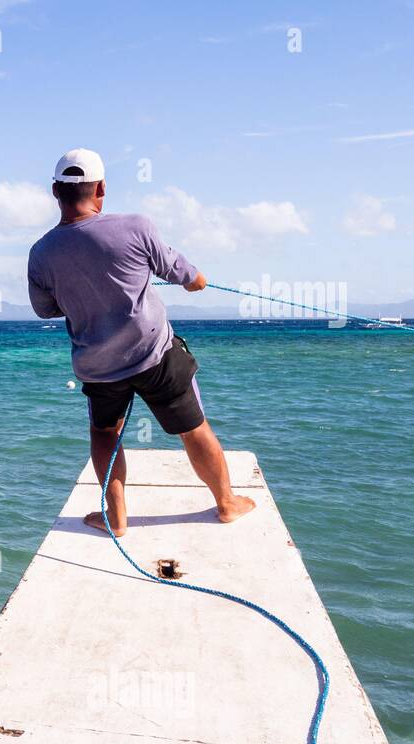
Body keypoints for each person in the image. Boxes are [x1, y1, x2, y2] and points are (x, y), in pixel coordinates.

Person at [27, 147, 255, 537]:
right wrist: (197, 279)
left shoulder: (40, 253)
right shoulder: (136, 226)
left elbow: (45, 310)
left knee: (104, 435)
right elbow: (184, 274)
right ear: (100, 189)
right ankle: (226, 504)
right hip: (155, 356)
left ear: (54, 191)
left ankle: (116, 520)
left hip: (98, 368)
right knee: (193, 427)